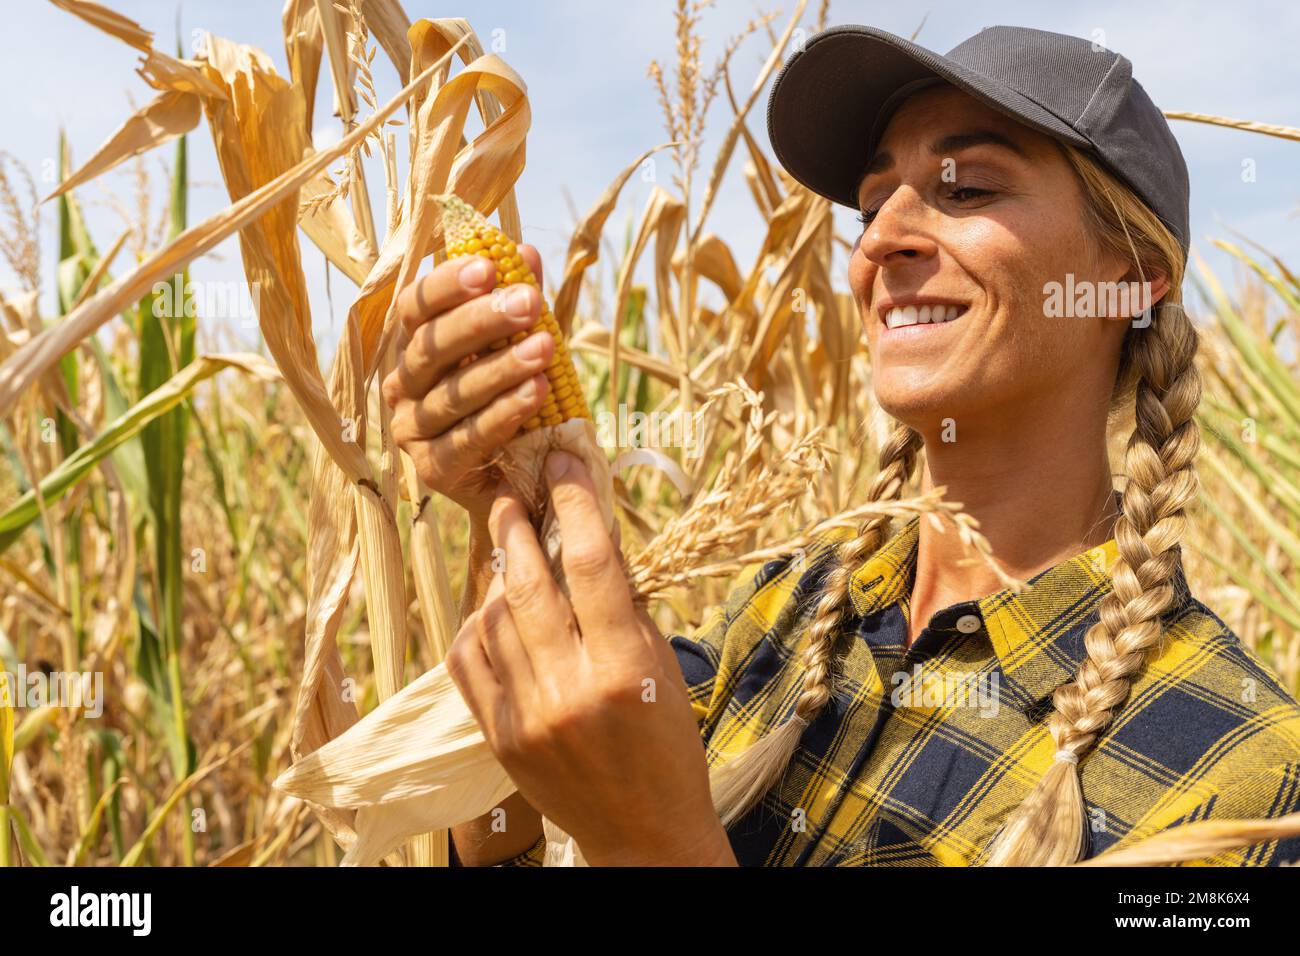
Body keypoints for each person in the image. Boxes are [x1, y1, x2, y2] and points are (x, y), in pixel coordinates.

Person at [382, 24, 1300, 866]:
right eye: (870, 207)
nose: (882, 242)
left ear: (1130, 280)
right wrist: (515, 497)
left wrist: (653, 843)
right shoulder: (786, 610)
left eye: (967, 188)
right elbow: (506, 836)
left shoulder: (1249, 780)